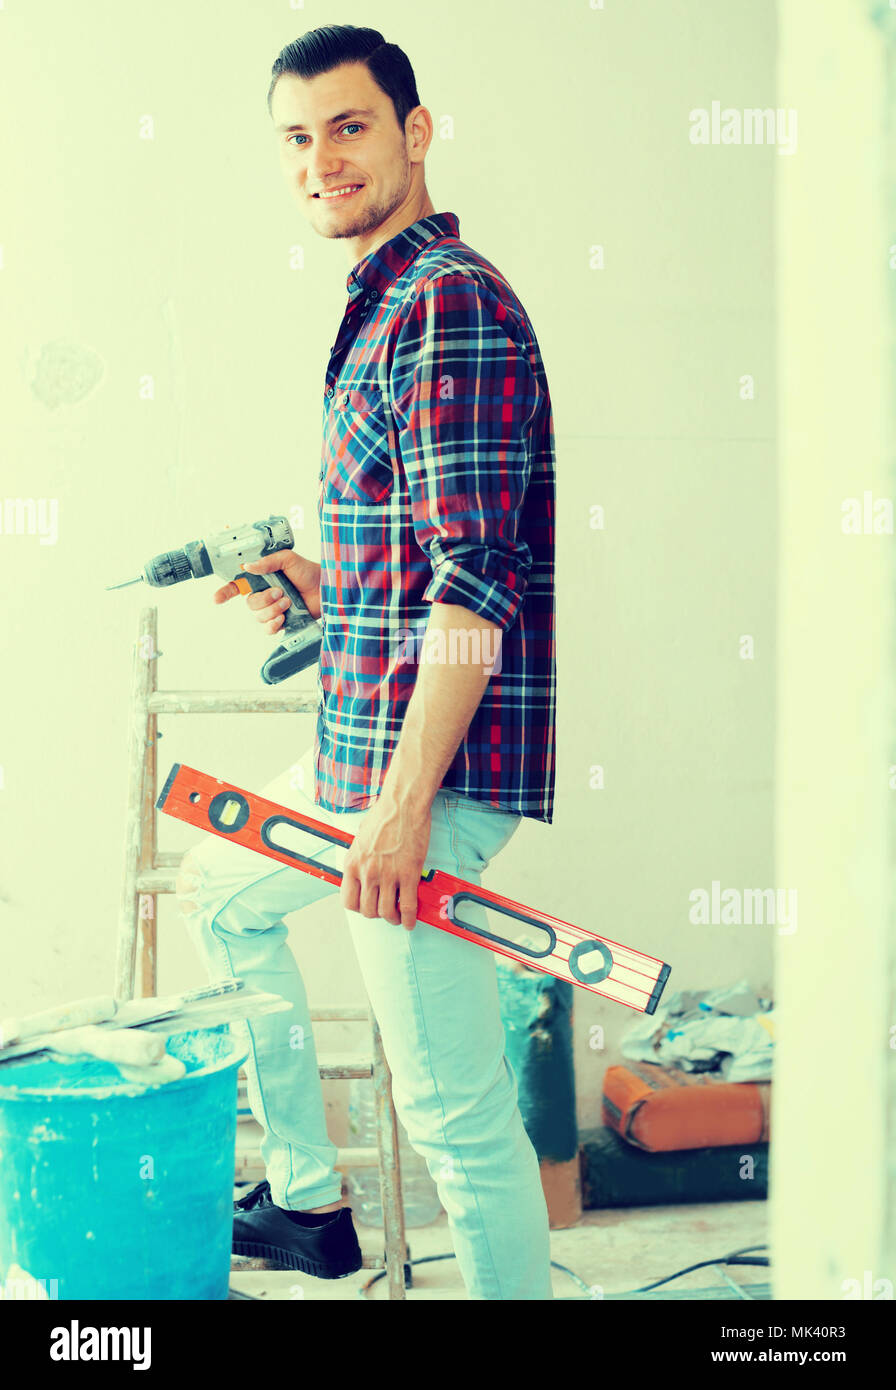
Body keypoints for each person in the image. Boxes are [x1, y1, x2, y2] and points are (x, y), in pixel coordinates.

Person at [176, 22, 557, 1301]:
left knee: (451, 1114)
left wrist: (398, 814)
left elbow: (474, 584)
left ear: (414, 131)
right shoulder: (385, 302)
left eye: (348, 127)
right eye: (297, 138)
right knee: (220, 893)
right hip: (361, 746)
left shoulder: (446, 304)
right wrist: (325, 588)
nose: (320, 160)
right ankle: (305, 1202)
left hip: (421, 778)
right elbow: (419, 561)